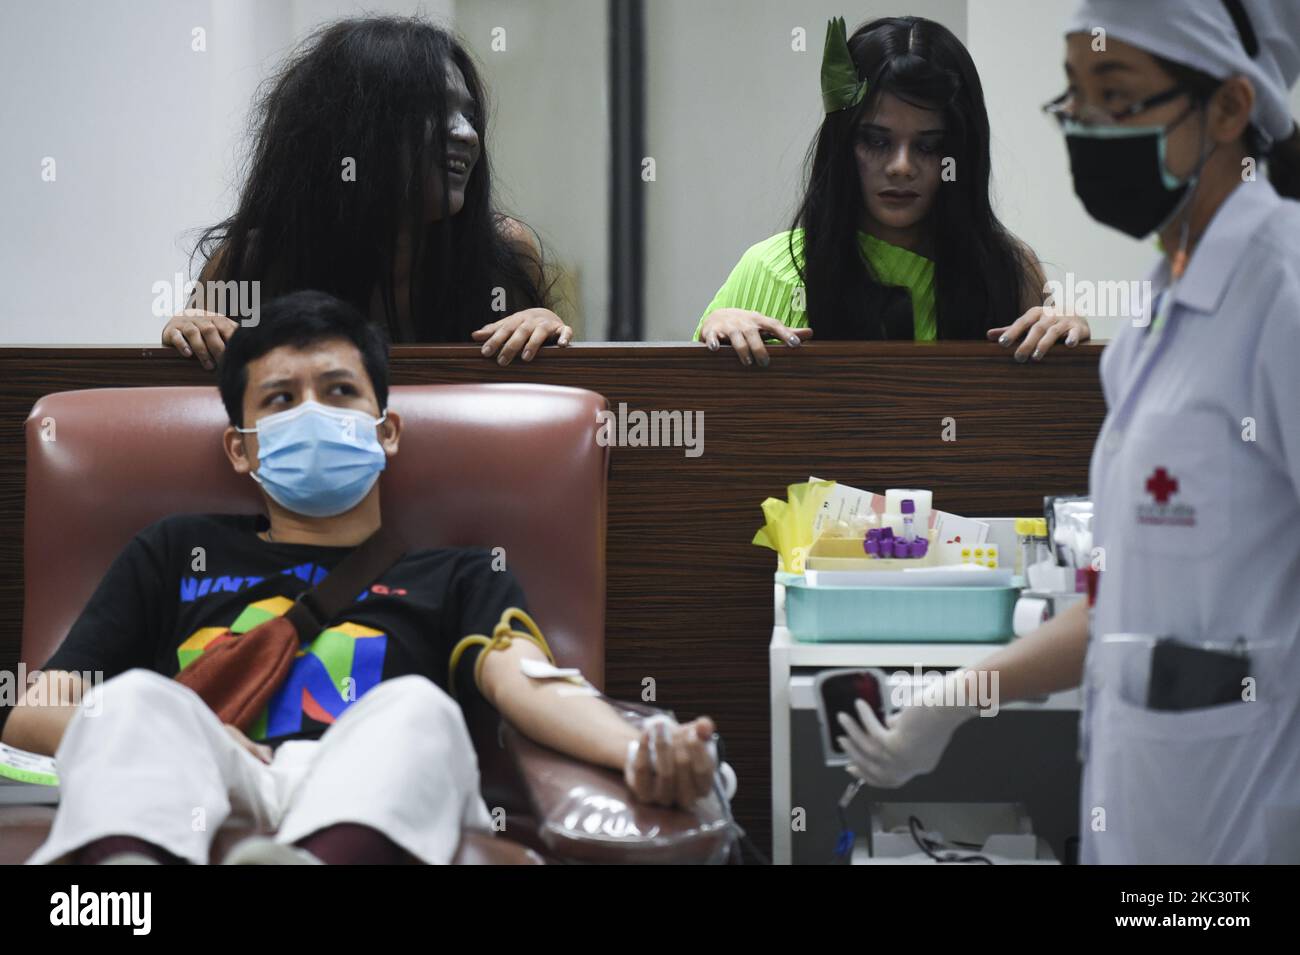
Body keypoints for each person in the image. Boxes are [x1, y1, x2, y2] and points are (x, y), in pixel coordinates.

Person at [4, 291, 717, 865]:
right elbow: (34, 714)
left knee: (418, 709)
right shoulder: (174, 549)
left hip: (370, 785)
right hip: (211, 783)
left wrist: (639, 748)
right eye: (280, 399)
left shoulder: (456, 573)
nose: (312, 412)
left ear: (387, 430)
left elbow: (532, 685)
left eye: (340, 390)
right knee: (133, 701)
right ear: (241, 448)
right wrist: (197, 732)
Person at [836, 0, 1300, 864]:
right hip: (1148, 832)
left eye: (1114, 95)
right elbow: (1132, 604)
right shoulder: (1159, 317)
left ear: (1231, 109)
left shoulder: (1282, 295)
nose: (1084, 127)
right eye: (1074, 97)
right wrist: (956, 697)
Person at [162, 16, 572, 370]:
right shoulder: (252, 260)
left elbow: (557, 411)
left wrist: (547, 333)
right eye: (434, 111)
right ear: (355, 132)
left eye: (468, 114)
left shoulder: (506, 255)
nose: (467, 134)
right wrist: (187, 332)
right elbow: (193, 404)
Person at [695, 16, 1090, 366]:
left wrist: (1068, 337)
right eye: (876, 141)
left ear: (960, 153)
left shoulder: (1006, 267)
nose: (901, 166)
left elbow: (1044, 426)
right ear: (843, 145)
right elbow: (705, 421)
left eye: (928, 145)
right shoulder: (771, 269)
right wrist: (715, 333)